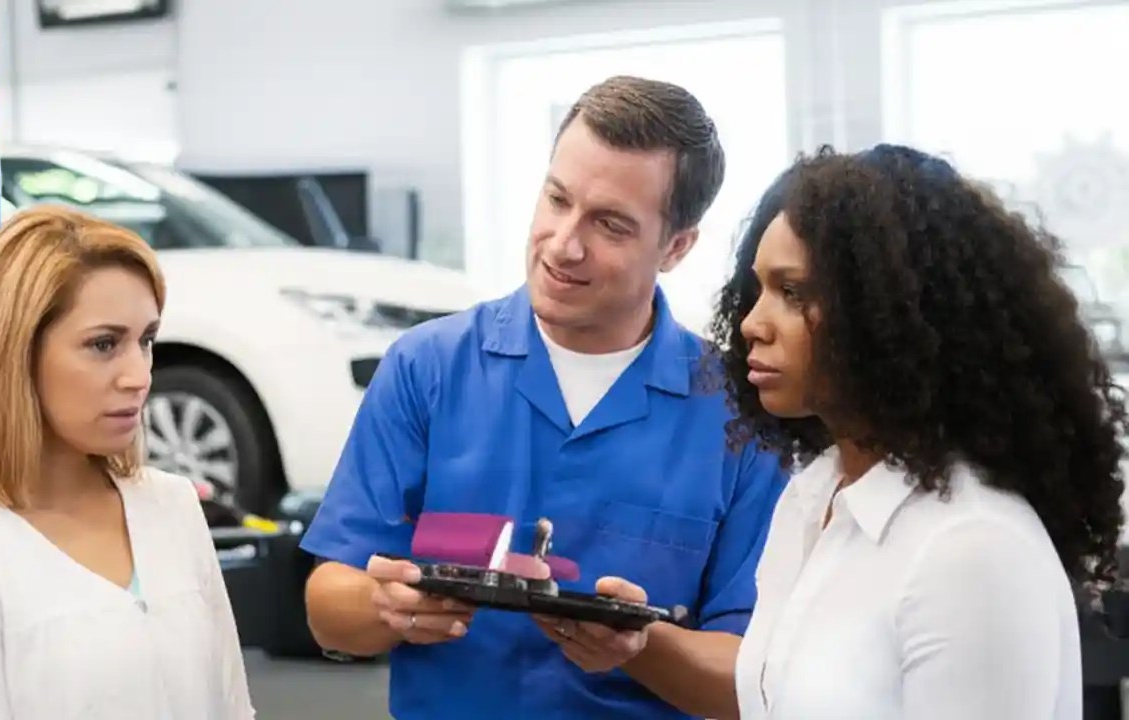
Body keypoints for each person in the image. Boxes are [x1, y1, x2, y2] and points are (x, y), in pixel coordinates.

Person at [299, 75, 787, 719]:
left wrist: (638, 646)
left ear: (676, 246)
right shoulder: (427, 369)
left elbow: (749, 680)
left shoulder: (740, 416)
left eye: (610, 225)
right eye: (557, 200)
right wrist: (384, 606)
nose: (563, 244)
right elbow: (328, 607)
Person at [710, 144, 1128, 719]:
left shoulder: (970, 548)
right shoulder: (811, 501)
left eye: (793, 292)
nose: (752, 323)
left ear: (886, 311)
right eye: (758, 290)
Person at [0, 206, 255, 719]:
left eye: (147, 341)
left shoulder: (170, 505)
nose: (139, 375)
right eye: (104, 344)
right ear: (14, 354)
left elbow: (232, 709)